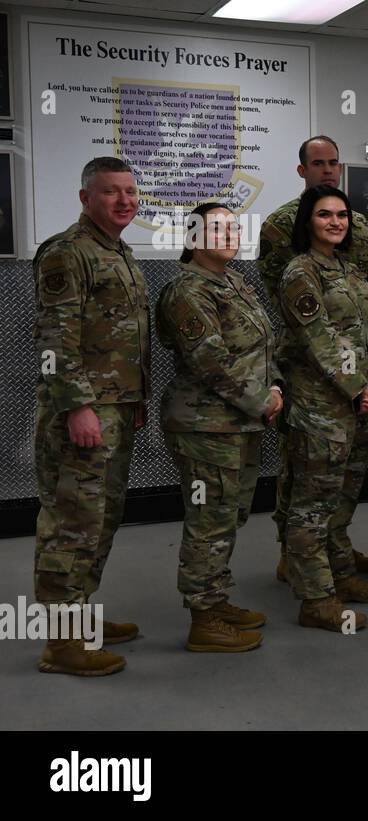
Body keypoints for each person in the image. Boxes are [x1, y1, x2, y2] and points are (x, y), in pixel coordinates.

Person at [32, 157, 150, 676]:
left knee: (100, 520)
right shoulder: (67, 252)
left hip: (116, 410)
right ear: (86, 199)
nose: (124, 201)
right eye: (110, 192)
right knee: (72, 524)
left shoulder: (118, 252)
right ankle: (60, 644)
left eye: (129, 191)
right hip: (82, 413)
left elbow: (125, 339)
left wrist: (135, 399)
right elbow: (55, 341)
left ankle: (77, 620)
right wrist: (79, 405)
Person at [258, 135, 368, 581]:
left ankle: (336, 548)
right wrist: (356, 383)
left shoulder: (359, 229)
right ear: (303, 170)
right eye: (319, 163)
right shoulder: (281, 229)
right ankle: (298, 558)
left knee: (345, 477)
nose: (328, 170)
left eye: (334, 162)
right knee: (306, 476)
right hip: (312, 374)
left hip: (360, 372)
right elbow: (298, 316)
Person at [157, 203, 280, 651]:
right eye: (216, 228)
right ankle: (203, 619)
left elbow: (262, 348)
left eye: (232, 226)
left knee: (228, 515)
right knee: (209, 519)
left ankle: (216, 598)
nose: (229, 234)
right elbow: (210, 361)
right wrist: (261, 399)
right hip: (205, 426)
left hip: (239, 422)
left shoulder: (233, 284)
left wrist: (275, 387)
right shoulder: (188, 290)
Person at [278, 185, 368, 631]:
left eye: (342, 215)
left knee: (343, 499)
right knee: (312, 506)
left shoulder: (353, 273)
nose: (335, 222)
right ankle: (316, 599)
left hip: (361, 402)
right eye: (325, 214)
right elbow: (318, 339)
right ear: (308, 220)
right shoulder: (299, 273)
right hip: (321, 408)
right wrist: (354, 386)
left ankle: (341, 575)